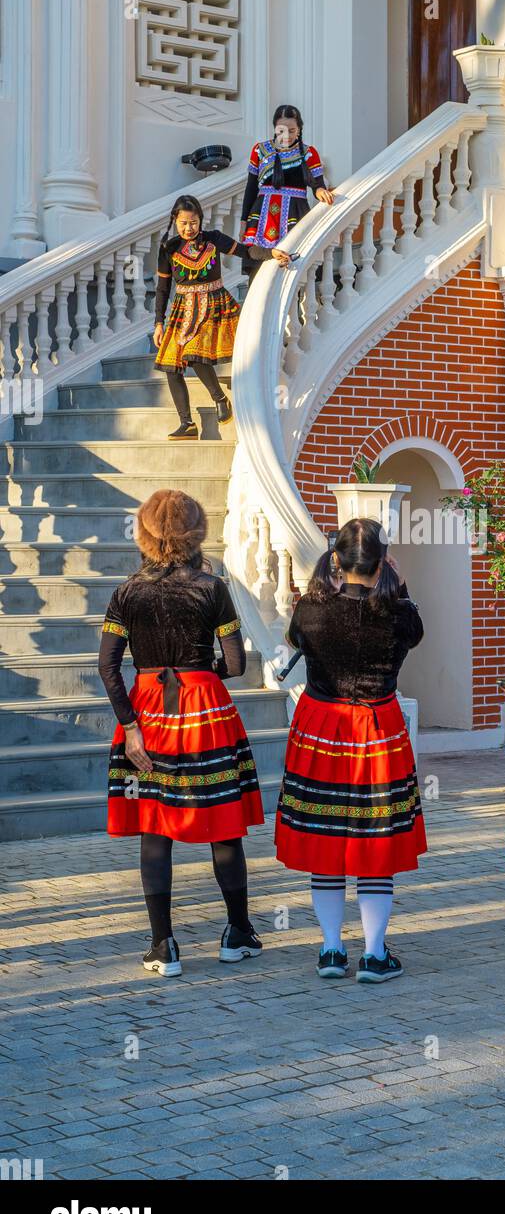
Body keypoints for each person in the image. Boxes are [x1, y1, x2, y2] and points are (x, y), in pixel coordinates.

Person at [98, 490, 265, 978]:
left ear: (145, 533)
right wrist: (203, 669)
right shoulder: (213, 588)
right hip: (204, 707)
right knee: (224, 824)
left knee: (155, 827)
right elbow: (234, 663)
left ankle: (163, 945)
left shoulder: (127, 591)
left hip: (149, 710)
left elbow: (107, 665)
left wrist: (130, 726)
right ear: (197, 532)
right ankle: (237, 933)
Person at [274, 519, 426, 983]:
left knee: (325, 839)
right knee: (374, 840)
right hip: (378, 730)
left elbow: (294, 640)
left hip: (320, 726)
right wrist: (397, 586)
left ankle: (331, 949)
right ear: (381, 563)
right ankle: (375, 953)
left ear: (336, 559)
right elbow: (414, 631)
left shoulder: (309, 609)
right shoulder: (399, 614)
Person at [153, 194, 289, 440]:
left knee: (193, 354)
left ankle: (220, 399)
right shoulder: (168, 249)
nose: (188, 228)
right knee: (172, 366)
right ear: (175, 221)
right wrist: (158, 323)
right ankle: (187, 424)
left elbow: (246, 252)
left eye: (193, 222)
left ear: (200, 220)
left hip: (214, 306)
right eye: (183, 223)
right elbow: (162, 289)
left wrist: (271, 253)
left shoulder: (214, 240)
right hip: (182, 310)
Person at [240, 105, 334, 280]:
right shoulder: (260, 150)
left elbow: (317, 184)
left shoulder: (308, 153)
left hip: (295, 214)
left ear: (299, 129)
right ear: (275, 128)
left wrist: (320, 190)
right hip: (263, 217)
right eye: (281, 130)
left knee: (295, 267)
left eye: (292, 130)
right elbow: (251, 188)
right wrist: (244, 221)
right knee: (259, 267)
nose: (287, 136)